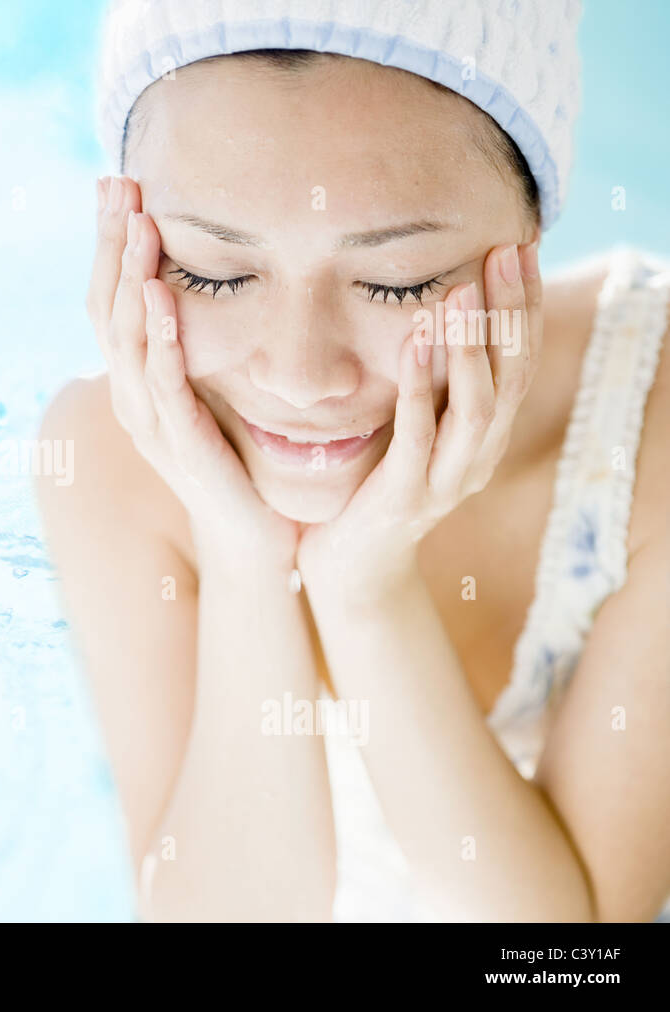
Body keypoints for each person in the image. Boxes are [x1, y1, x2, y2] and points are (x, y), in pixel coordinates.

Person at [34, 0, 670, 921]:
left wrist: (366, 587)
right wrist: (246, 558)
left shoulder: (650, 421)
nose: (299, 377)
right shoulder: (106, 460)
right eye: (212, 272)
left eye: (396, 283)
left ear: (532, 235)